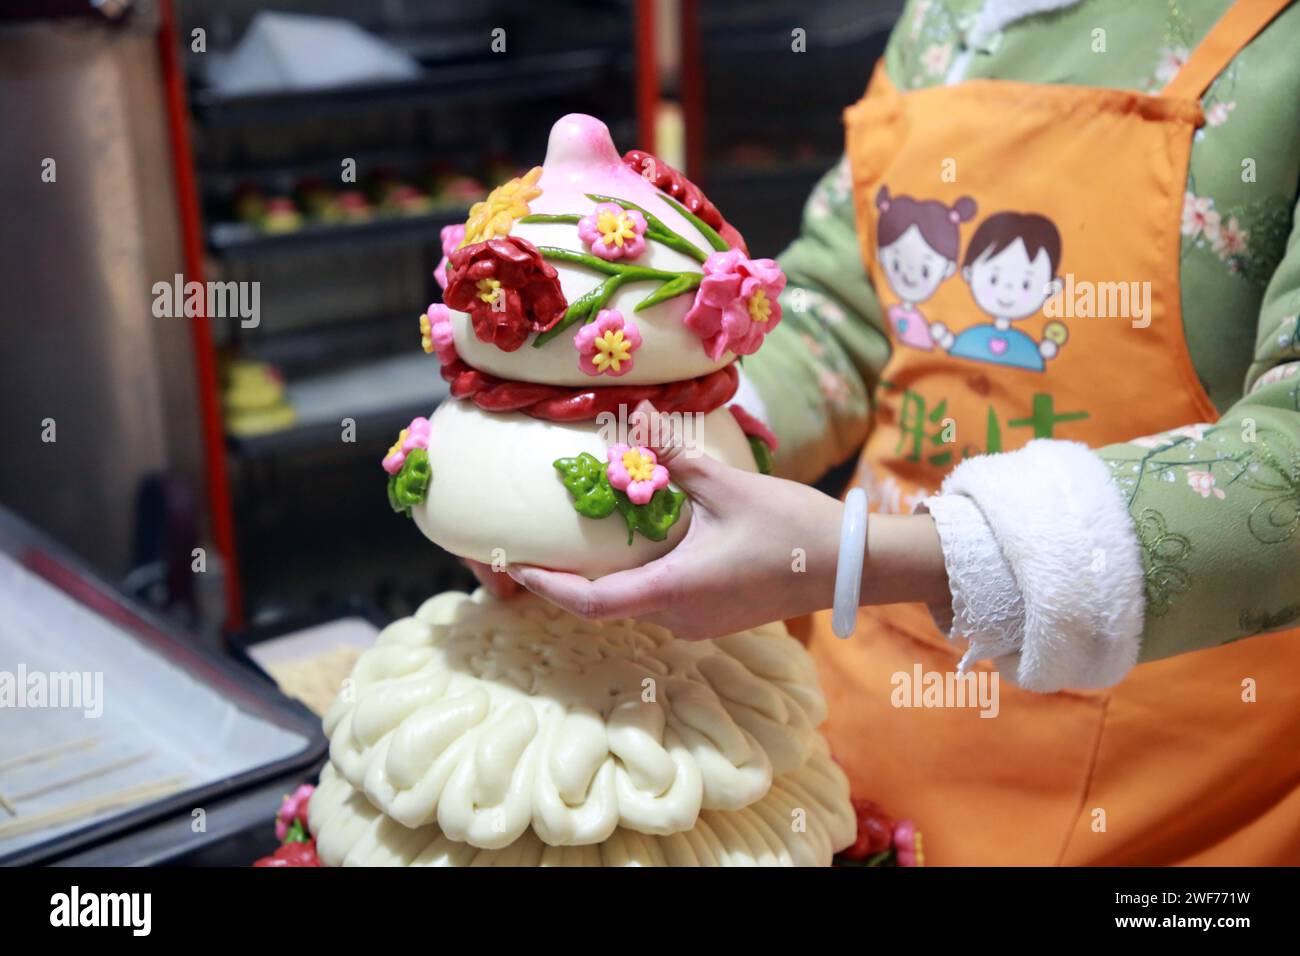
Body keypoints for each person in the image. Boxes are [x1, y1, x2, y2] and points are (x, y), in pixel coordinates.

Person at [496, 0, 1300, 864]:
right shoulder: (945, 22)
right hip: (842, 715)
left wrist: (868, 558)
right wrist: (613, 460)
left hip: (1167, 779)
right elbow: (840, 315)